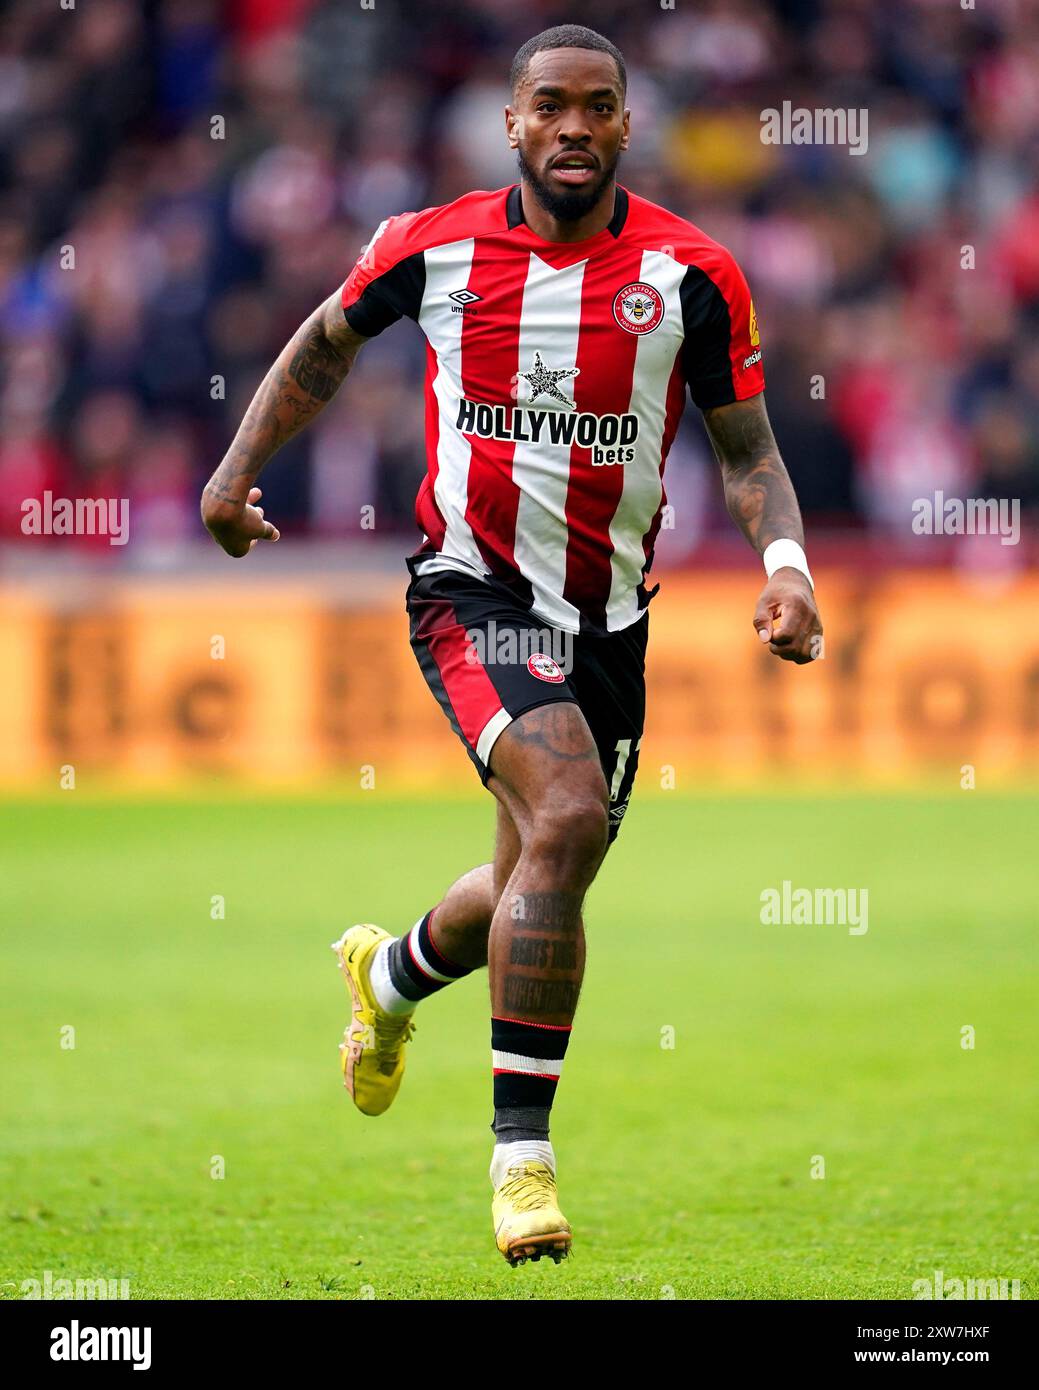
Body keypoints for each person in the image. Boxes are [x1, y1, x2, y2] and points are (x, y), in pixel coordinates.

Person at [201, 24, 823, 1267]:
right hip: (470, 595)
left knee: (541, 868)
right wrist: (232, 475)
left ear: (627, 124)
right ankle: (520, 1162)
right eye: (550, 105)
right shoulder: (428, 246)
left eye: (597, 105)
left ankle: (388, 981)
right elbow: (324, 341)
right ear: (512, 123)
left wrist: (787, 568)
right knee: (570, 816)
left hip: (612, 626)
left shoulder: (694, 276)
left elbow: (747, 448)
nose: (573, 126)